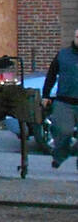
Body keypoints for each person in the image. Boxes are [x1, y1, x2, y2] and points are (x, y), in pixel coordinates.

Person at [42, 27, 78, 168]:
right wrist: (46, 95)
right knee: (63, 131)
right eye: (77, 37)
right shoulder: (63, 55)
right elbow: (51, 75)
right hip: (65, 101)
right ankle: (60, 156)